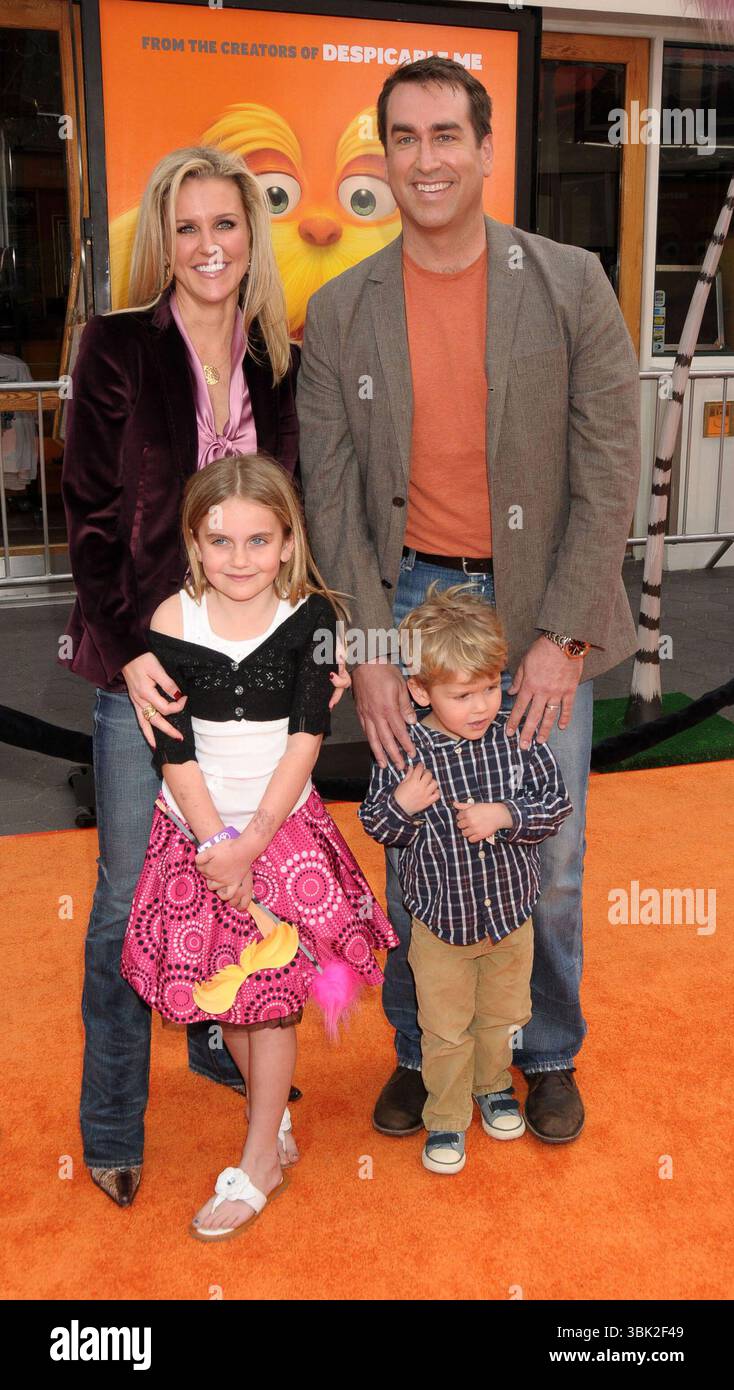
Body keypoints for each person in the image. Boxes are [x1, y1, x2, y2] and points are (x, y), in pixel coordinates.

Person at [297, 57, 641, 1143]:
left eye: (446, 135)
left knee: (548, 846)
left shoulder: (570, 281)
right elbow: (332, 494)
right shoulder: (339, 308)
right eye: (403, 138)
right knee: (417, 838)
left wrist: (565, 634)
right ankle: (422, 1048)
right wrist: (365, 649)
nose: (425, 158)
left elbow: (605, 465)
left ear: (487, 150)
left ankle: (541, 1053)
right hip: (399, 600)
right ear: (384, 156)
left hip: (535, 600)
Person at [60, 146, 300, 1208]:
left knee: (237, 874)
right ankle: (112, 1120)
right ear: (166, 239)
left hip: (251, 671)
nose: (209, 247)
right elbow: (94, 525)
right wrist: (136, 653)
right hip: (141, 665)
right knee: (124, 899)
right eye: (189, 227)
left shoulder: (276, 357)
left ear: (252, 236)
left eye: (227, 225)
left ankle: (220, 1037)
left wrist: (310, 647)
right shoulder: (115, 348)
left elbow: (293, 525)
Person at [119, 452, 397, 1239]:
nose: (239, 559)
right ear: (194, 542)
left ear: (287, 541)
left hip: (281, 832)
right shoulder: (173, 620)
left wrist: (253, 846)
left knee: (270, 1005)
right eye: (220, 541)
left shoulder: (312, 621)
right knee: (228, 994)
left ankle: (260, 1154)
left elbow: (308, 740)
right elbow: (171, 752)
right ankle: (271, 1123)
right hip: (196, 834)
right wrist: (216, 845)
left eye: (257, 540)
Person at [359, 584, 572, 1173]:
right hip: (440, 926)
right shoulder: (403, 753)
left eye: (489, 687)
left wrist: (508, 816)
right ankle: (447, 1117)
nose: (481, 705)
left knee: (502, 1016)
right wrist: (402, 804)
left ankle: (494, 1088)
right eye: (462, 694)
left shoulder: (517, 738)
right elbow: (379, 826)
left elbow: (555, 805)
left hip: (510, 917)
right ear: (420, 690)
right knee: (445, 1027)